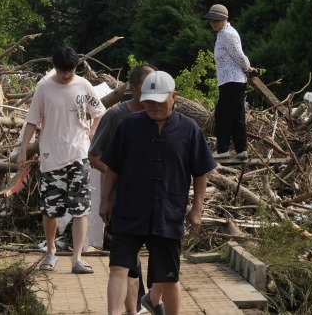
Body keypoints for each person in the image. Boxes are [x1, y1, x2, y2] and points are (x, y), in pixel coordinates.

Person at [99, 71, 217, 315]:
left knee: (169, 277)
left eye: (159, 101)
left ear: (174, 97)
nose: (153, 106)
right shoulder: (129, 126)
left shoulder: (189, 129)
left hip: (168, 213)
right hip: (130, 210)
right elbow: (113, 168)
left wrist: (196, 210)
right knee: (119, 268)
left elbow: (201, 173)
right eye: (149, 100)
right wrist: (104, 201)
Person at [17, 47, 104, 275]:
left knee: (80, 208)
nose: (67, 76)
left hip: (78, 154)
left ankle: (77, 258)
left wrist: (92, 132)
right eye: (63, 71)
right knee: (51, 209)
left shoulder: (83, 85)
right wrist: (23, 150)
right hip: (51, 156)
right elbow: (32, 121)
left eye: (71, 71)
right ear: (54, 67)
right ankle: (51, 251)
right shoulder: (44, 87)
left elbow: (99, 112)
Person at [88, 64, 162, 315]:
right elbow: (95, 155)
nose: (153, 92)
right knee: (125, 263)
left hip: (155, 205)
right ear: (132, 88)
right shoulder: (117, 116)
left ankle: (140, 304)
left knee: (150, 262)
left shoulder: (162, 115)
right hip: (124, 203)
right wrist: (116, 179)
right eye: (147, 86)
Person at [203, 3, 253, 157]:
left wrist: (248, 67)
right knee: (237, 115)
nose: (213, 23)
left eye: (216, 20)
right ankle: (241, 150)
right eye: (211, 20)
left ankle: (223, 150)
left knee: (222, 114)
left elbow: (238, 54)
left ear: (224, 19)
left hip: (232, 80)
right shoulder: (223, 33)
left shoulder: (227, 34)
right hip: (230, 79)